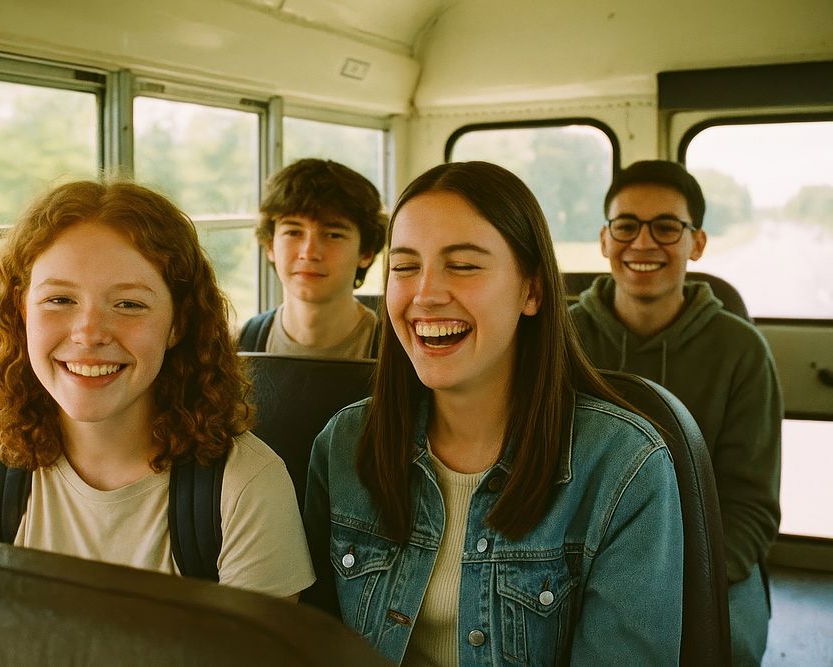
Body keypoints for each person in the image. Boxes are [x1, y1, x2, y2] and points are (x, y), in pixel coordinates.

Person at [303, 161, 683, 664]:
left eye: (462, 265)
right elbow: (310, 642)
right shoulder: (345, 442)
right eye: (405, 266)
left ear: (532, 290)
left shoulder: (623, 466)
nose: (426, 295)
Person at [0, 179, 315, 600]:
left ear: (178, 324)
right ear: (22, 311)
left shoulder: (246, 484)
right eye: (59, 300)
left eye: (129, 304)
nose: (89, 334)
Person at [570, 159, 782, 665]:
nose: (643, 244)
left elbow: (751, 506)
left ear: (697, 243)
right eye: (626, 226)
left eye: (666, 227)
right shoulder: (562, 339)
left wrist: (682, 581)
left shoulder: (743, 351)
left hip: (708, 562)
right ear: (604, 240)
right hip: (578, 556)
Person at [238, 158, 388, 357]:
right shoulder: (243, 342)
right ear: (270, 245)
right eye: (293, 232)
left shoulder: (398, 350)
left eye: (333, 235)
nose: (309, 253)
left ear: (366, 252)